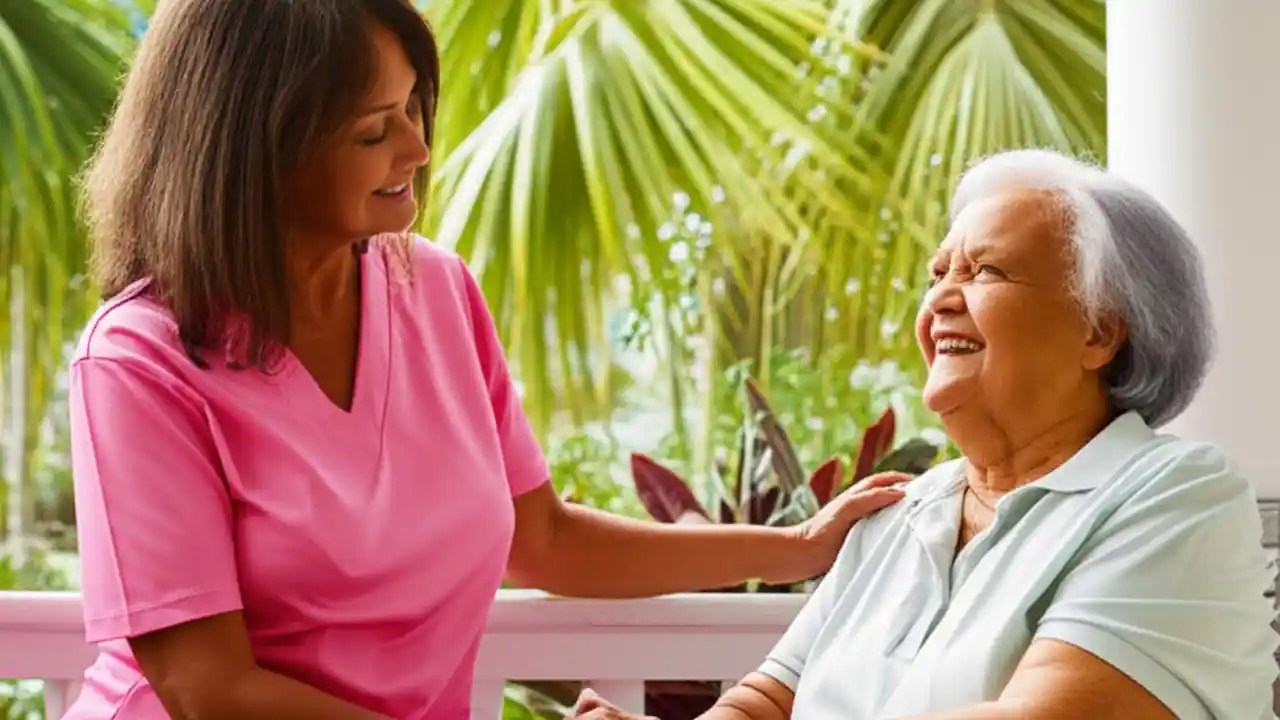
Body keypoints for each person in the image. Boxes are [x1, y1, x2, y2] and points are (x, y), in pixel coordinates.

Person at [62, 2, 908, 718]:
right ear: (258, 150)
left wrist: (796, 546)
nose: (418, 150)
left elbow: (544, 538)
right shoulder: (138, 359)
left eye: (412, 110)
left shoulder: (434, 290)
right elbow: (205, 686)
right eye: (372, 132)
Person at [574, 149, 1280, 720]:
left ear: (1098, 331)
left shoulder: (1179, 497)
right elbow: (766, 703)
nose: (941, 297)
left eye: (986, 271)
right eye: (940, 272)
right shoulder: (902, 513)